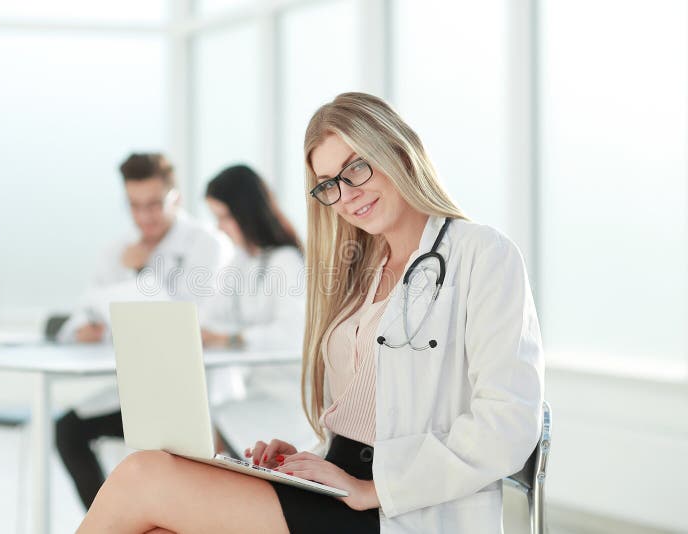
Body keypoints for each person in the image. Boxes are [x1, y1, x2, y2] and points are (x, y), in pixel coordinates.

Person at [76, 92, 544, 534]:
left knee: (143, 473)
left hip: (397, 507)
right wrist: (304, 460)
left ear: (398, 152)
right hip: (337, 481)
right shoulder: (362, 275)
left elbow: (508, 423)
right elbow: (366, 414)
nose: (347, 193)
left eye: (356, 168)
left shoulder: (483, 254)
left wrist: (372, 487)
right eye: (330, 184)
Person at [55, 152, 232, 510]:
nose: (144, 217)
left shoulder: (206, 245)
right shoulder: (118, 250)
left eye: (154, 204)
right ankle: (109, 522)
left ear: (176, 197)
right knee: (67, 430)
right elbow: (84, 308)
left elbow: (182, 323)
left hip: (191, 393)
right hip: (139, 392)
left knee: (165, 461)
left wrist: (139, 274)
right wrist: (81, 329)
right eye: (134, 206)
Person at [201, 164, 313, 453]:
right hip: (257, 393)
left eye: (224, 217)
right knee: (203, 425)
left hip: (290, 401)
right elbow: (211, 316)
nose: (219, 227)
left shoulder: (285, 260)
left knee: (209, 430)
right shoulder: (241, 262)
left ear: (245, 213)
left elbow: (292, 333)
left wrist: (228, 340)